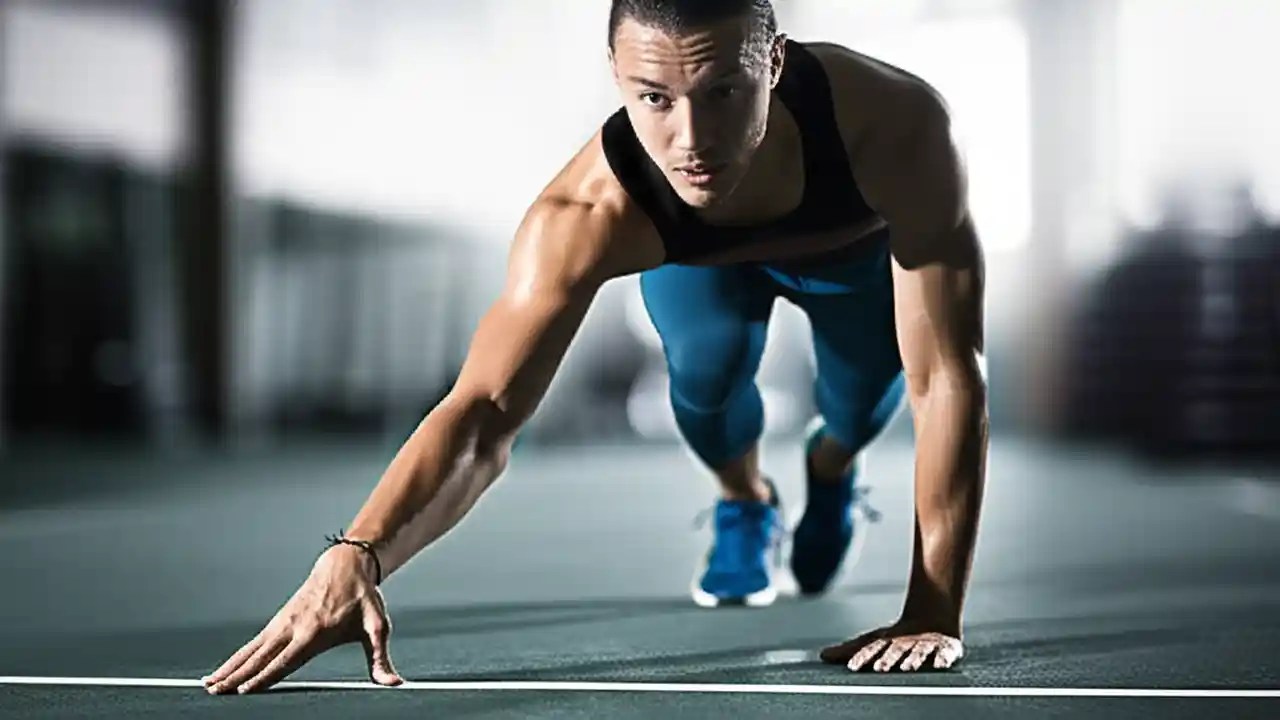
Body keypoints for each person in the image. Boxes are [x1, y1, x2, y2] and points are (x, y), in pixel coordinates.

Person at [203, 0, 988, 695]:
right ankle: (747, 500)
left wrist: (932, 611)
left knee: (859, 404)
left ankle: (832, 466)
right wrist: (358, 553)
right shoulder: (587, 211)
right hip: (702, 268)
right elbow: (483, 412)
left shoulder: (897, 125)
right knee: (706, 377)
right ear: (614, 74)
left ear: (774, 63)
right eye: (655, 98)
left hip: (853, 262)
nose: (693, 140)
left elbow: (947, 378)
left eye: (722, 92)